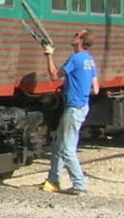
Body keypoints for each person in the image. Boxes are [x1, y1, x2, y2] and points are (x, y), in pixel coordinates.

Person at [42, 29, 99, 195]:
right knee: (59, 144)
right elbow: (95, 89)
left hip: (73, 108)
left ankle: (80, 185)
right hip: (82, 106)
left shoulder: (76, 58)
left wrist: (48, 55)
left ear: (80, 40)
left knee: (67, 149)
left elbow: (54, 76)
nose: (73, 36)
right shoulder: (89, 60)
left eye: (76, 35)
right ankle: (53, 180)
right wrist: (76, 87)